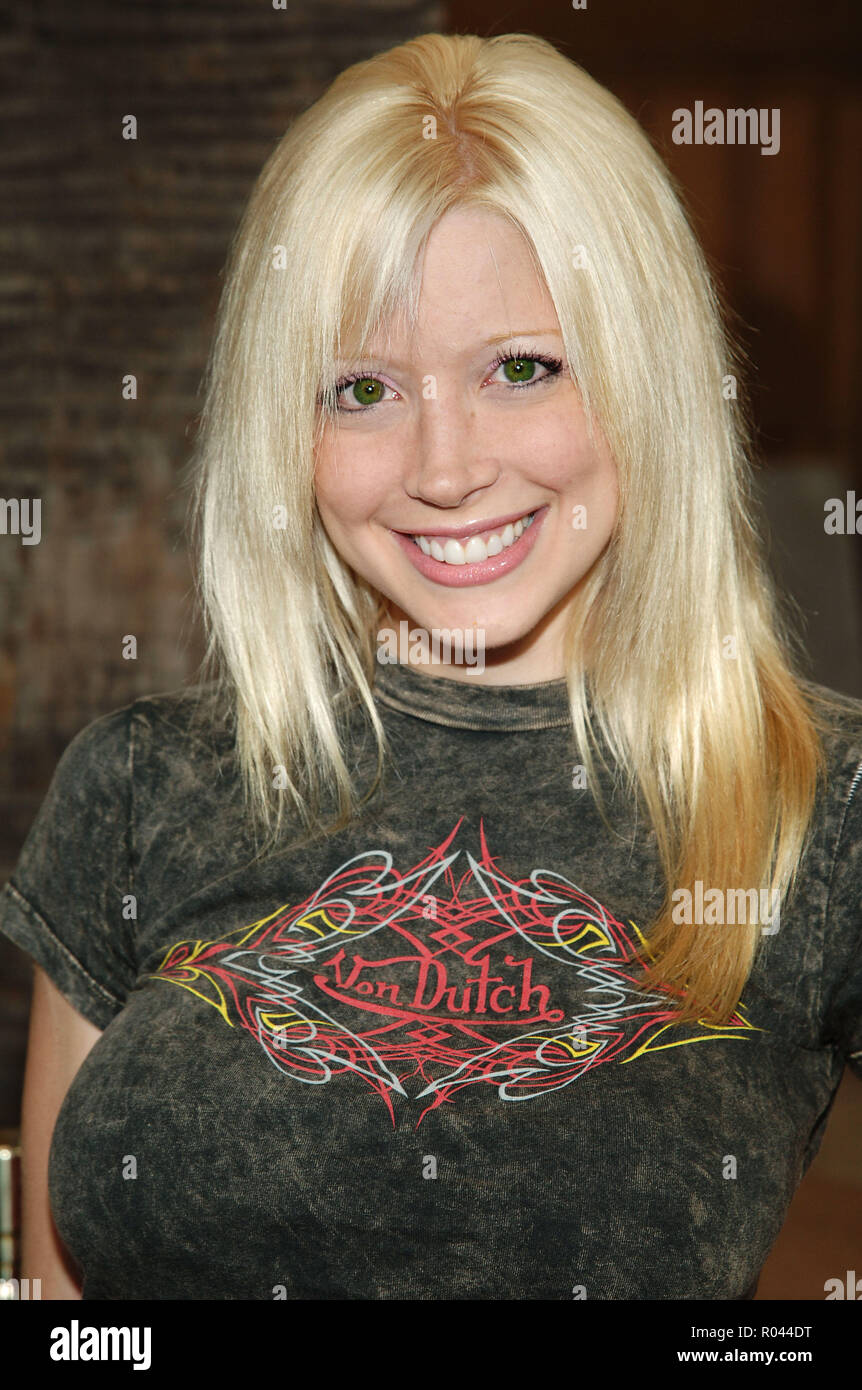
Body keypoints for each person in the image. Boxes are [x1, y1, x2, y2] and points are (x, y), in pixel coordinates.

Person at [2, 30, 860, 1302]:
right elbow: (65, 1316)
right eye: (361, 389)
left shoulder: (821, 803)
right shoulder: (141, 785)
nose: (445, 467)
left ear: (648, 376)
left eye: (522, 369)